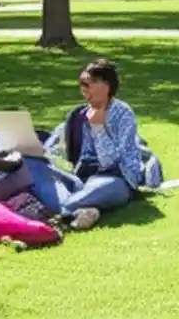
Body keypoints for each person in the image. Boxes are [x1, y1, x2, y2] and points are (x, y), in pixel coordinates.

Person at [43, 59, 143, 230]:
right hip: (81, 176)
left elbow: (110, 162)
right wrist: (42, 154)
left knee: (100, 188)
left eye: (91, 83)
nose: (85, 88)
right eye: (82, 83)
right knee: (43, 173)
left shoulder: (123, 114)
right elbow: (57, 150)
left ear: (107, 86)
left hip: (116, 178)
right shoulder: (78, 114)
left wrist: (98, 128)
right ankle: (86, 211)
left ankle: (52, 215)